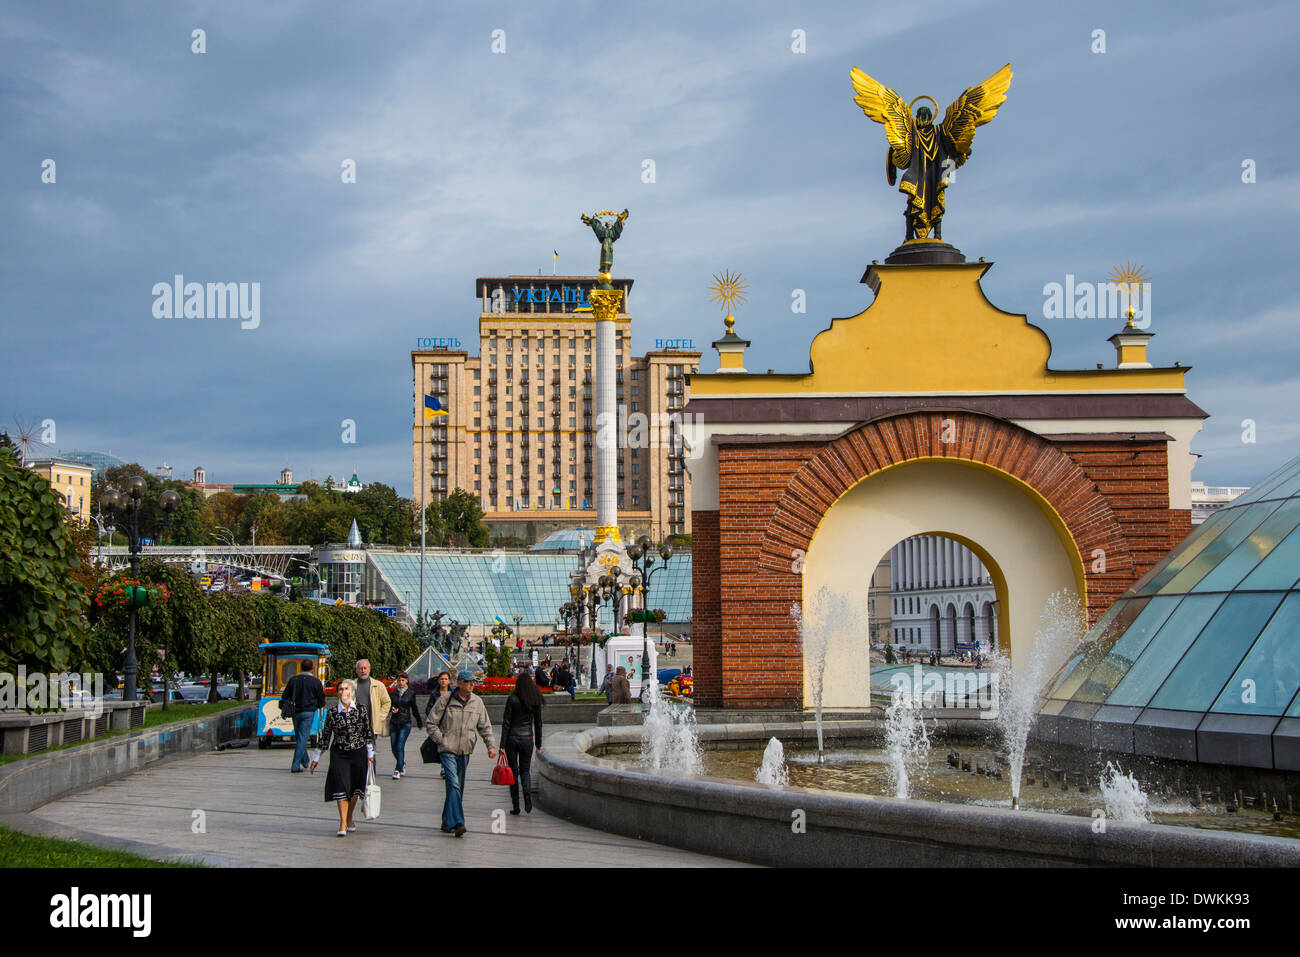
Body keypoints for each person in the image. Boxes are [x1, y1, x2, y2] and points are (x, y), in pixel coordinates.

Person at [426, 670, 497, 837]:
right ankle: (459, 822)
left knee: (457, 788)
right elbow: (431, 722)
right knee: (454, 783)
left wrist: (490, 746)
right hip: (447, 749)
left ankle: (446, 821)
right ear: (459, 683)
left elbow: (485, 726)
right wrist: (441, 740)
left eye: (473, 682)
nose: (472, 684)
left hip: (465, 750)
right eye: (468, 682)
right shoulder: (446, 699)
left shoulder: (477, 702)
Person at [310, 679, 374, 837]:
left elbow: (367, 731)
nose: (343, 692)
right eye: (340, 689)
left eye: (346, 689)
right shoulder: (332, 712)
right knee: (341, 786)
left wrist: (370, 752)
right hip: (339, 754)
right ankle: (343, 822)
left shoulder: (360, 709)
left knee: (354, 789)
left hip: (358, 753)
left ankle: (349, 816)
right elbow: (326, 735)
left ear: (352, 692)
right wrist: (316, 756)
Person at [500, 671, 544, 815]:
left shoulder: (512, 699)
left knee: (513, 772)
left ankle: (516, 805)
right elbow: (538, 723)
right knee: (525, 771)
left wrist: (501, 745)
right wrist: (538, 742)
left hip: (512, 738)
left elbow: (506, 723)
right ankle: (527, 795)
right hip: (527, 739)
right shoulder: (535, 699)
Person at [283, 660, 325, 773]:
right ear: (312, 668)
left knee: (299, 736)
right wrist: (318, 705)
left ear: (300, 667)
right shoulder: (316, 682)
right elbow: (321, 699)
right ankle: (295, 765)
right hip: (309, 712)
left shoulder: (293, 680)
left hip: (295, 711)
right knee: (302, 737)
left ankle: (305, 760)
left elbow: (285, 696)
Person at [355, 659, 392, 774]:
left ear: (369, 669)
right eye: (360, 668)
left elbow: (386, 702)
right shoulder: (351, 685)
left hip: (371, 726)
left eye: (365, 668)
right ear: (356, 670)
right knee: (356, 753)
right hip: (354, 726)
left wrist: (380, 717)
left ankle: (371, 777)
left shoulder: (378, 685)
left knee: (371, 752)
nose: (363, 670)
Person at [388, 672, 423, 780]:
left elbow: (414, 708)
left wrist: (419, 722)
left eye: (403, 680)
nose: (401, 682)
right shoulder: (393, 693)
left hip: (405, 722)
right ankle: (401, 763)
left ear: (407, 681)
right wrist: (392, 709)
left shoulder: (410, 693)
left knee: (400, 745)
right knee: (393, 747)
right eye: (399, 680)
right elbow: (388, 706)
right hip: (394, 722)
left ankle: (398, 769)